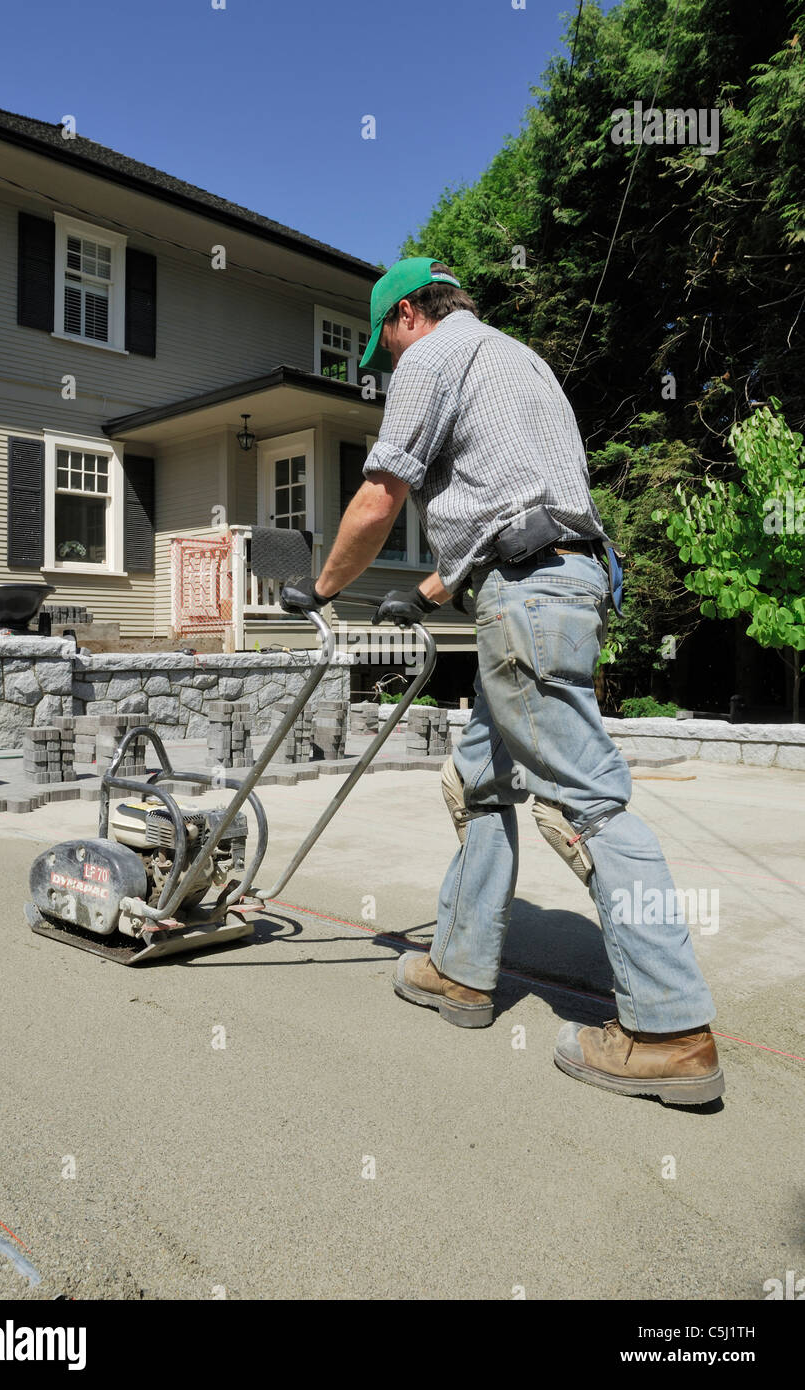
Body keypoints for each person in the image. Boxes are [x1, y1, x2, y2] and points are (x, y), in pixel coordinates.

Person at [282, 257, 724, 1108]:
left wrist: (323, 585)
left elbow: (380, 494)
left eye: (386, 344)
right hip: (554, 582)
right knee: (477, 780)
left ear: (408, 314)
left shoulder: (434, 357)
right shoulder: (520, 361)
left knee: (583, 800)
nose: (389, 362)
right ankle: (460, 969)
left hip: (528, 599)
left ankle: (669, 1030)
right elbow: (520, 510)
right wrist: (425, 593)